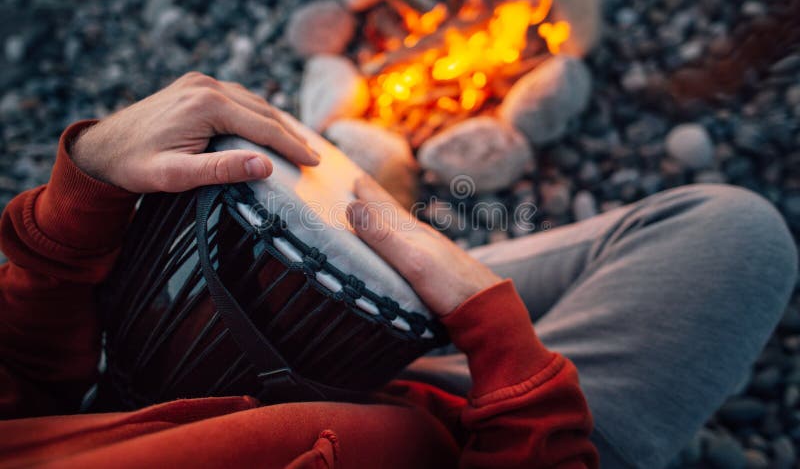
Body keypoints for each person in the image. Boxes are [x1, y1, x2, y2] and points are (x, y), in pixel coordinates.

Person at [0, 72, 795, 468]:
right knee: (734, 234)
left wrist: (85, 189)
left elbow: (25, 375)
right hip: (492, 447)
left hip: (338, 369)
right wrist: (503, 349)